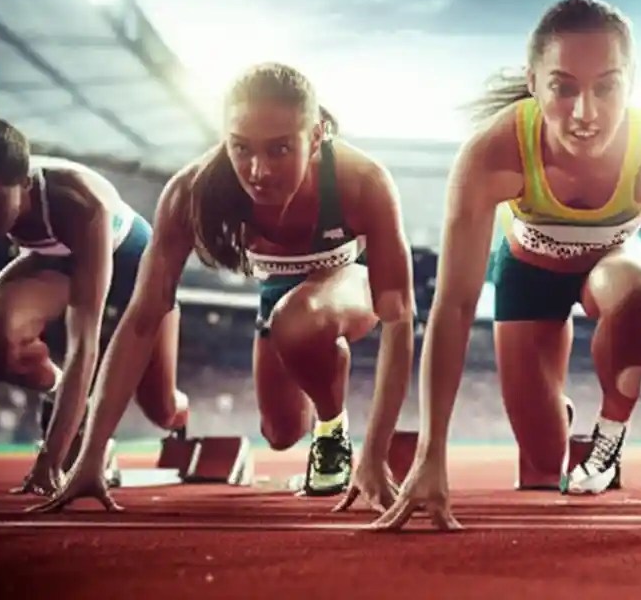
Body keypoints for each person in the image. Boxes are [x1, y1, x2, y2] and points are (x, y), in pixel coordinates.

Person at [373, 0, 641, 531]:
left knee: (640, 291)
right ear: (533, 83)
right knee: (543, 457)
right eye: (563, 88)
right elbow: (455, 305)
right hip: (527, 275)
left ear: (631, 82)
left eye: (606, 87)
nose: (586, 114)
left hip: (610, 266)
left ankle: (609, 434)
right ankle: (554, 419)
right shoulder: (493, 153)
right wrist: (430, 456)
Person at [32, 62, 416, 512]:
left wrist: (375, 454)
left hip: (351, 281)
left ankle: (332, 429)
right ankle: (317, 369)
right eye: (241, 148)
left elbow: (398, 317)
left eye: (280, 149)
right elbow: (141, 320)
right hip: (276, 295)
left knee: (300, 320)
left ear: (315, 137)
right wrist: (91, 456)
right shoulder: (190, 192)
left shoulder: (361, 181)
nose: (259, 171)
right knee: (280, 433)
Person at [0, 115, 187, 495]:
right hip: (57, 258)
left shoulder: (80, 204)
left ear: (25, 183)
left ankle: (181, 417)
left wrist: (51, 460)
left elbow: (84, 346)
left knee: (160, 408)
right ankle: (60, 395)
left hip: (137, 266)